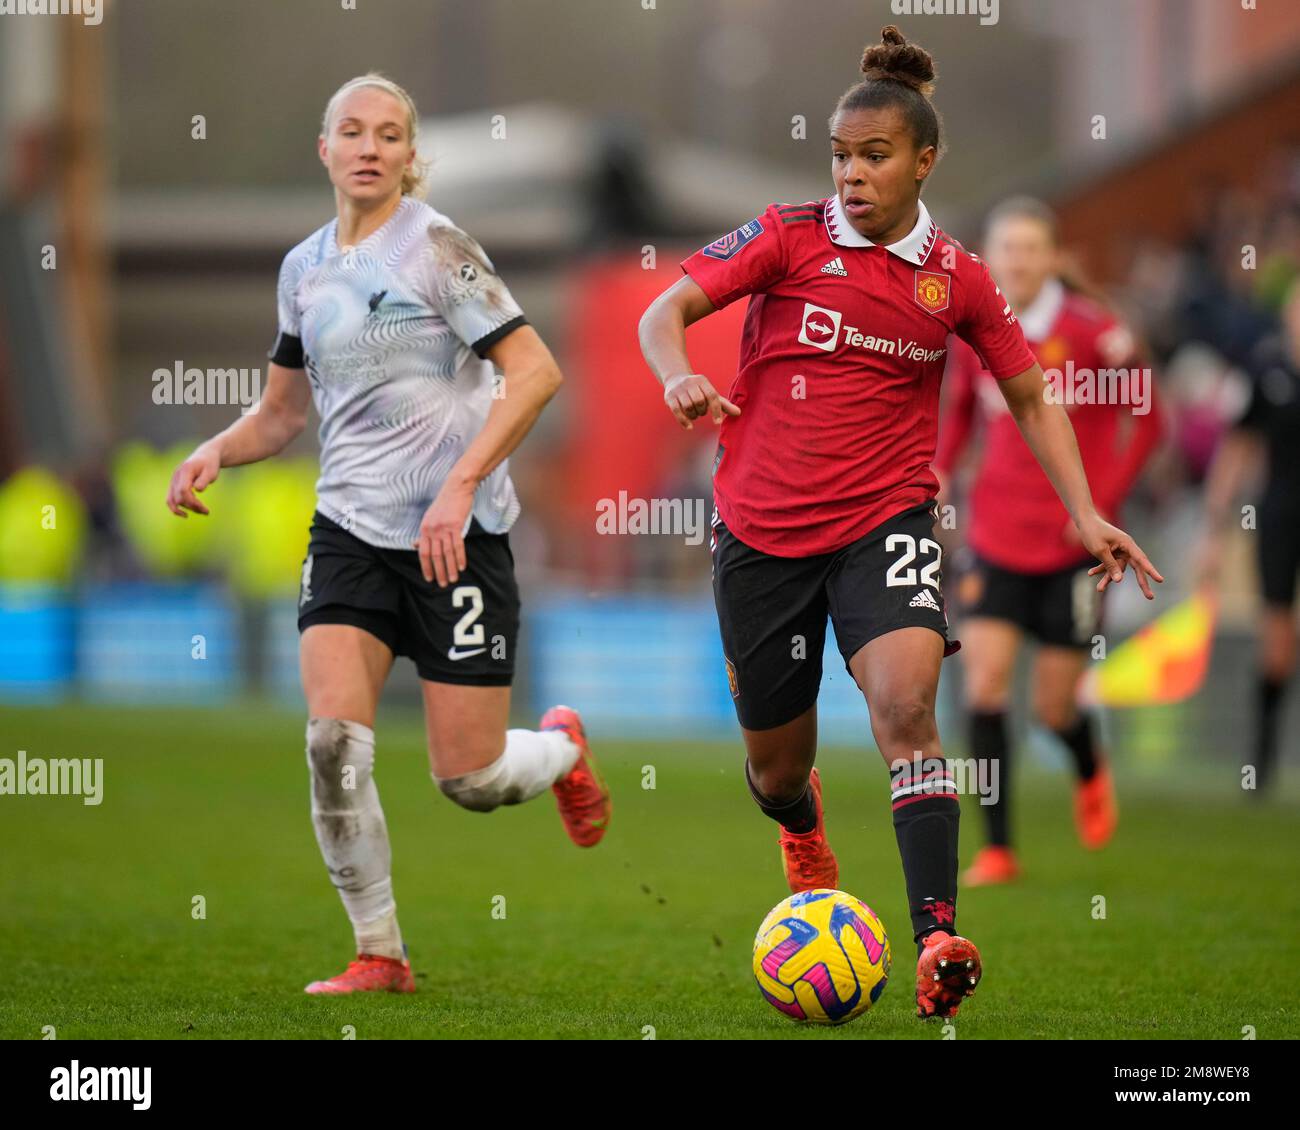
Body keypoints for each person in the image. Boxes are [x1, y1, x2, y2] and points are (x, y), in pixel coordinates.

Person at [637, 27, 1162, 1019]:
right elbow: (659, 313)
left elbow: (1032, 395)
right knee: (774, 767)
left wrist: (1086, 511)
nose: (850, 174)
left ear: (923, 160)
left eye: (872, 156)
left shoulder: (957, 278)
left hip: (886, 522)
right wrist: (679, 375)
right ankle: (803, 832)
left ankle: (936, 939)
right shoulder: (784, 235)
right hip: (758, 535)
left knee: (907, 709)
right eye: (839, 155)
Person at [165, 73, 610, 996]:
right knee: (331, 743)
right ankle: (381, 954)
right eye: (353, 132)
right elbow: (284, 415)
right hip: (349, 533)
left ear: (411, 157)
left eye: (390, 135)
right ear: (324, 149)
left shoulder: (439, 247)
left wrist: (458, 485)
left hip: (461, 537)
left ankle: (562, 746)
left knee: (471, 779)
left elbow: (534, 373)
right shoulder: (303, 269)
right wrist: (216, 447)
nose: (370, 147)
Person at [933, 197, 1163, 886]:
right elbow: (961, 414)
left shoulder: (1098, 334)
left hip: (1069, 548)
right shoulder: (976, 332)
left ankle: (1089, 767)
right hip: (994, 538)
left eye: (1032, 249)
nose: (1018, 261)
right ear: (990, 257)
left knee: (1053, 709)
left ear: (1055, 257)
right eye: (1007, 249)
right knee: (984, 686)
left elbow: (1149, 422)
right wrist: (939, 471)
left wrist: (1098, 504)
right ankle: (999, 849)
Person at [1196, 277, 1300, 796]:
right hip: (1280, 517)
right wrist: (1215, 526)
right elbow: (1237, 449)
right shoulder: (1267, 371)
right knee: (1277, 644)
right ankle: (1260, 767)